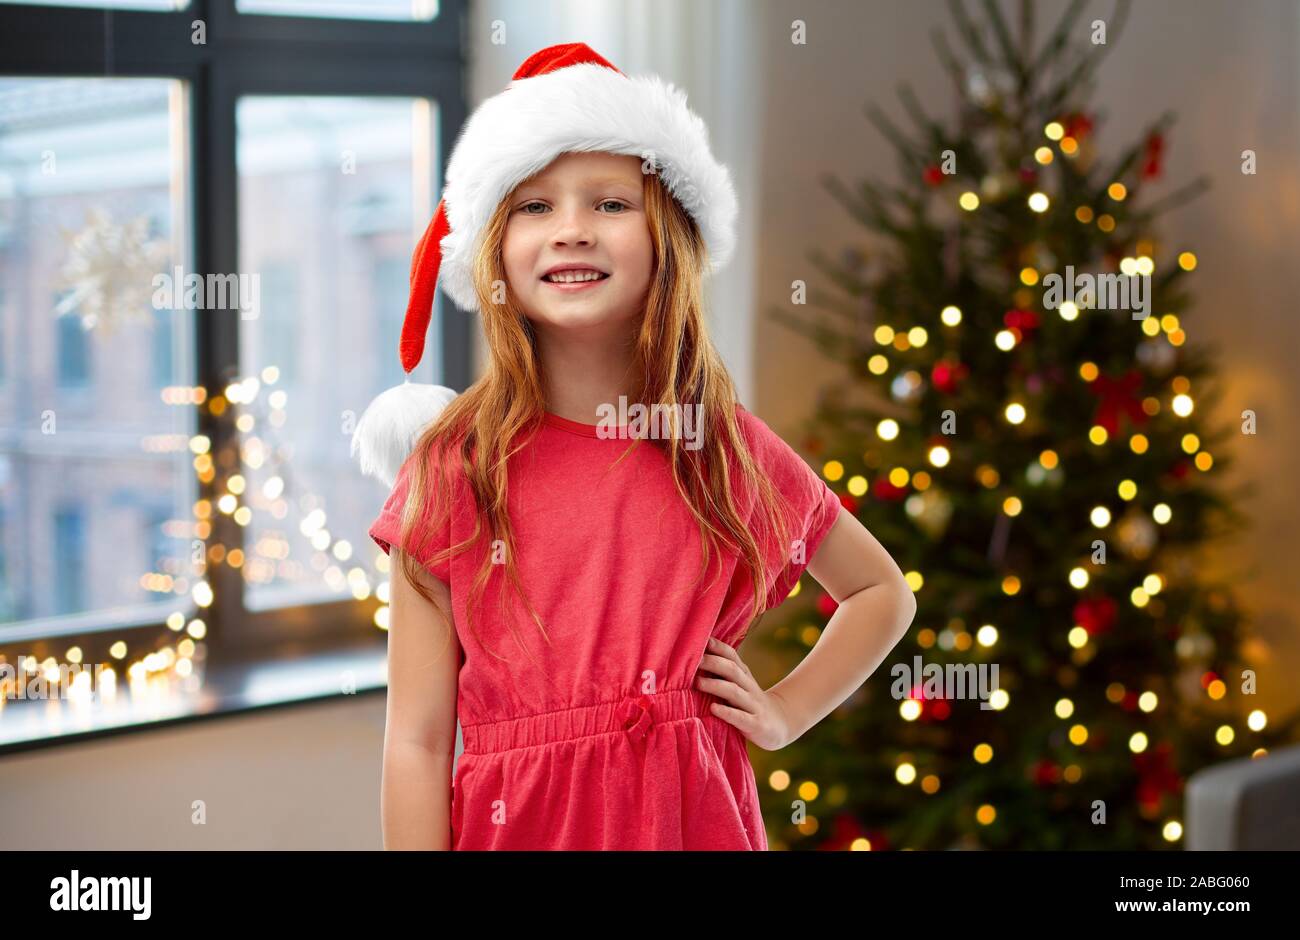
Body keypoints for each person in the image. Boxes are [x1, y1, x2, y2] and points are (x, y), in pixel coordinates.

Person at [355, 42, 916, 851]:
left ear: (667, 239)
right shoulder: (454, 469)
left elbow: (880, 593)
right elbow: (414, 740)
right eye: (534, 206)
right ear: (494, 254)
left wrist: (787, 711)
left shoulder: (719, 446)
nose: (572, 230)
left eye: (611, 204)